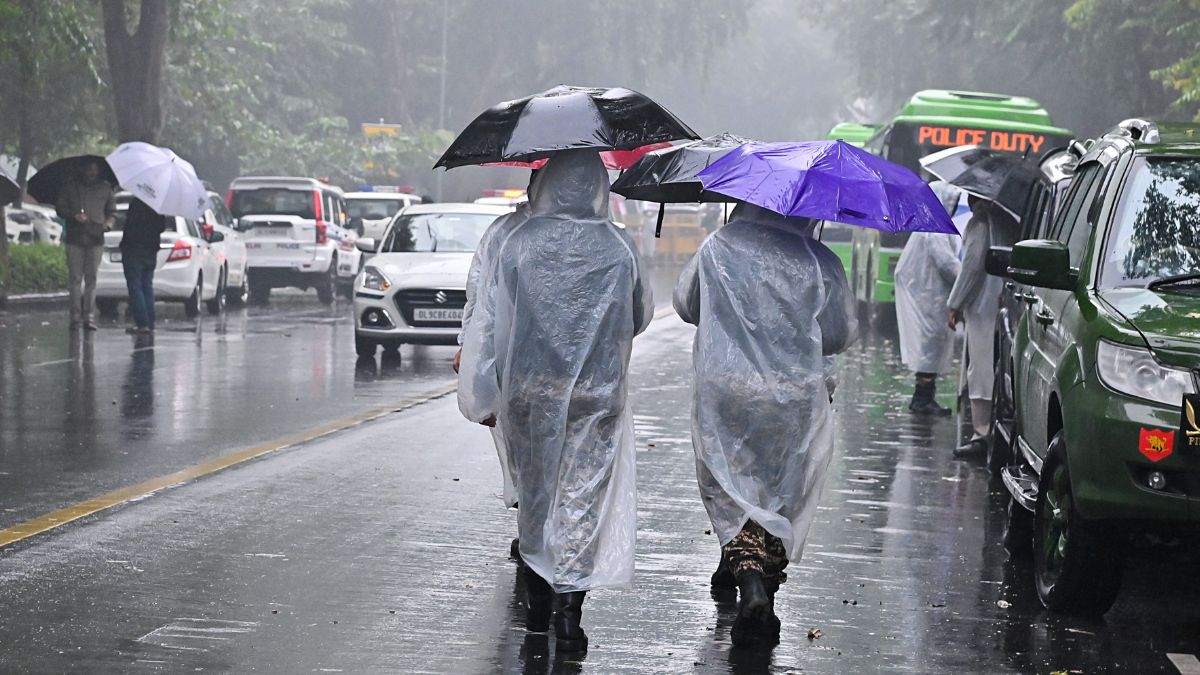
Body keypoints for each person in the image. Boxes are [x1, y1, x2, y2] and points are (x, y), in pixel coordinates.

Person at [457, 150, 652, 653]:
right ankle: (570, 608)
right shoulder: (618, 246)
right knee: (581, 495)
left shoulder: (519, 243)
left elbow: (492, 322)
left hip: (530, 392)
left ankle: (540, 605)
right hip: (596, 393)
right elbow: (640, 314)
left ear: (545, 185)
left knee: (538, 493)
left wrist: (484, 389)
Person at [674, 204, 857, 648]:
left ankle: (750, 581)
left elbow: (686, 304)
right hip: (791, 397)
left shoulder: (718, 246)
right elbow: (837, 334)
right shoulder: (818, 259)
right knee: (779, 493)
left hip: (727, 390)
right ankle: (764, 594)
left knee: (731, 489)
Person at [454, 169, 542, 560]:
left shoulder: (506, 233)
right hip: (574, 377)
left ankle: (532, 536)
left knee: (522, 452)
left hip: (514, 368)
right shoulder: (600, 236)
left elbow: (480, 300)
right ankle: (542, 543)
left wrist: (470, 351)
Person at [947, 197, 1017, 455]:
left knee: (981, 368)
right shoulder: (1009, 219)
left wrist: (955, 303)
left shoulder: (980, 223)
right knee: (996, 366)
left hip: (983, 306)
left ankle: (981, 434)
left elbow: (972, 266)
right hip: (1007, 301)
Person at [894, 181, 963, 415]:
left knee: (931, 346)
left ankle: (925, 396)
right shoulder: (935, 228)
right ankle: (922, 399)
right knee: (930, 347)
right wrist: (967, 281)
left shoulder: (933, 224)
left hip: (930, 295)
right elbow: (946, 263)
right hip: (929, 297)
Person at [56, 159, 116, 330]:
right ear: (82, 169)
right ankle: (75, 316)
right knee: (75, 278)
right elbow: (60, 208)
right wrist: (74, 215)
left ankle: (88, 316)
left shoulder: (106, 188)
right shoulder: (70, 187)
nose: (92, 173)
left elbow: (112, 212)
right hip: (75, 238)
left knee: (92, 279)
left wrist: (108, 224)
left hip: (96, 238)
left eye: (95, 170)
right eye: (89, 169)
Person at [120, 198, 167, 334]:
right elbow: (161, 227)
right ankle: (149, 322)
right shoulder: (158, 205)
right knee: (147, 286)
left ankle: (142, 323)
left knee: (135, 287)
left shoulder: (136, 204)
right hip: (150, 250)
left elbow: (130, 226)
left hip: (134, 250)